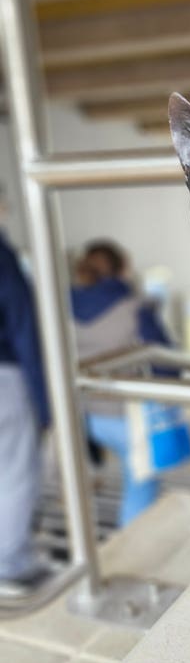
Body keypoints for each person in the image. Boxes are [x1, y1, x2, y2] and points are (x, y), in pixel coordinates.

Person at [71, 240, 173, 527]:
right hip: (124, 414)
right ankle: (132, 541)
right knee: (142, 478)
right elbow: (163, 357)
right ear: (122, 267)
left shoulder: (64, 302)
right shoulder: (134, 305)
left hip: (83, 411)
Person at [0, 228, 52, 597]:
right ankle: (10, 564)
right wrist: (45, 403)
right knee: (17, 470)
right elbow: (23, 324)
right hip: (5, 372)